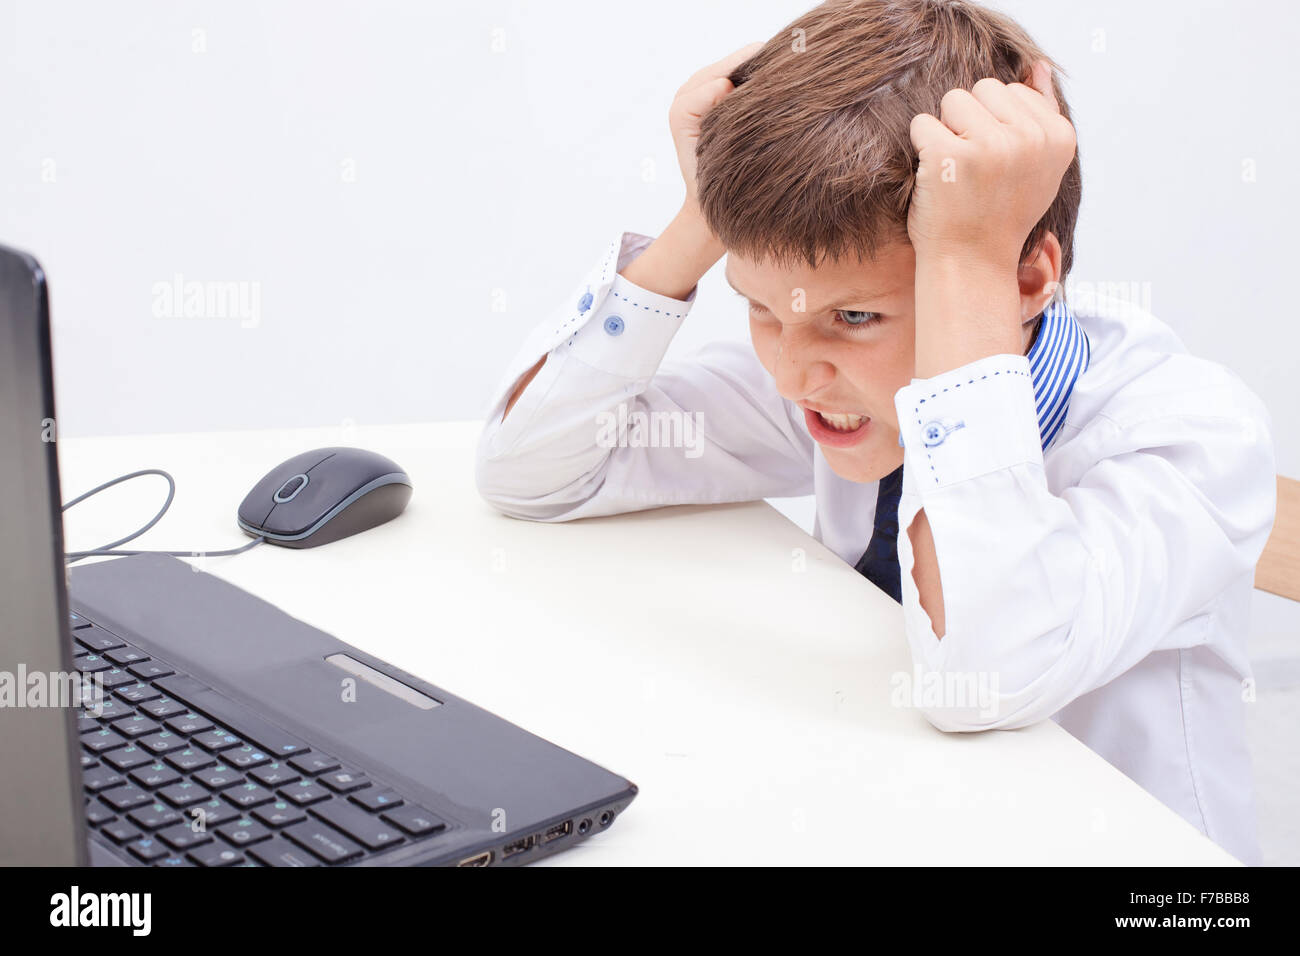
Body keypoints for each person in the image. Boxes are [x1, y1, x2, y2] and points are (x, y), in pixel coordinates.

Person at [475, 0, 1276, 864]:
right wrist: (709, 215)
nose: (790, 374)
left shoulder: (1190, 437)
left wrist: (968, 261)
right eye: (761, 309)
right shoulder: (841, 383)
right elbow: (539, 470)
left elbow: (987, 672)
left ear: (1027, 277)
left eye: (854, 314)